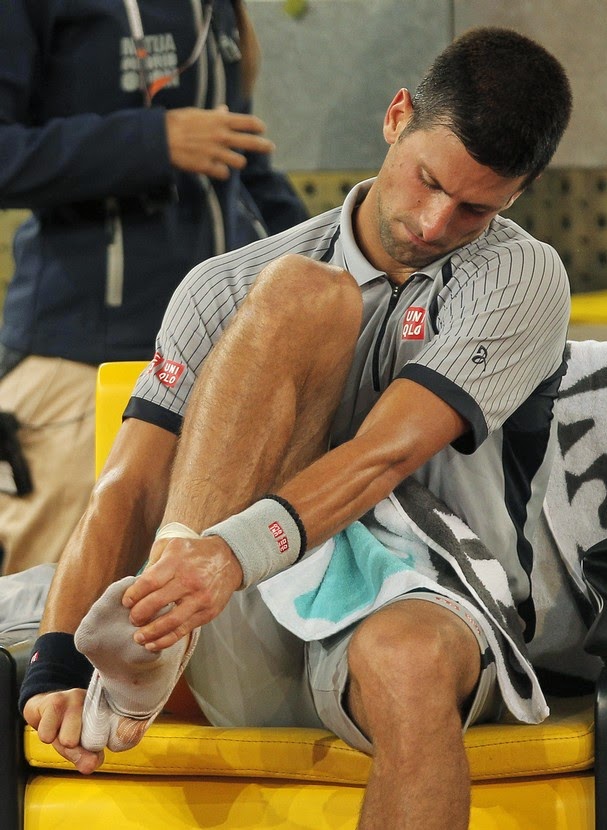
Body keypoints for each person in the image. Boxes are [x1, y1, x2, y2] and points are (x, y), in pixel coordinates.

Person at [19, 27, 573, 830]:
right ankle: (159, 625)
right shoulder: (229, 283)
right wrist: (55, 665)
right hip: (227, 615)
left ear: (514, 198)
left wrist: (225, 555)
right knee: (306, 295)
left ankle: (171, 595)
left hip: (426, 602)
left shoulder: (520, 272)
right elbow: (129, 484)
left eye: (474, 208)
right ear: (395, 117)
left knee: (409, 659)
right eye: (425, 181)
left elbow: (382, 456)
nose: (432, 221)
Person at [0, 0, 308, 575]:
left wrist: (342, 262)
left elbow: (243, 164)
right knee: (47, 611)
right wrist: (152, 141)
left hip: (213, 366)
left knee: (180, 623)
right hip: (79, 366)